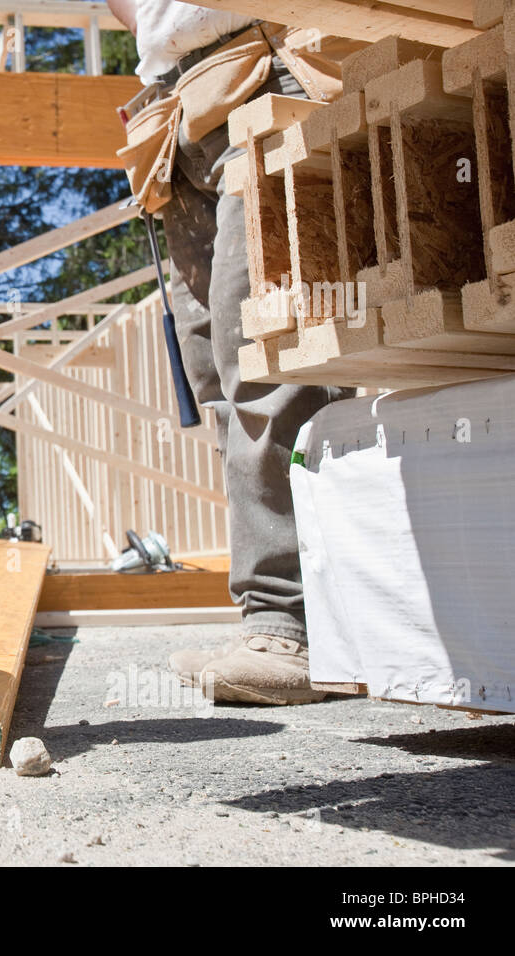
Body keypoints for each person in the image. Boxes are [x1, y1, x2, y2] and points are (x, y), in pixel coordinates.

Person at [106, 0, 355, 704]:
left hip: (270, 62)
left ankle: (291, 627)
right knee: (216, 372)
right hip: (177, 106)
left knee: (269, 353)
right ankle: (274, 619)